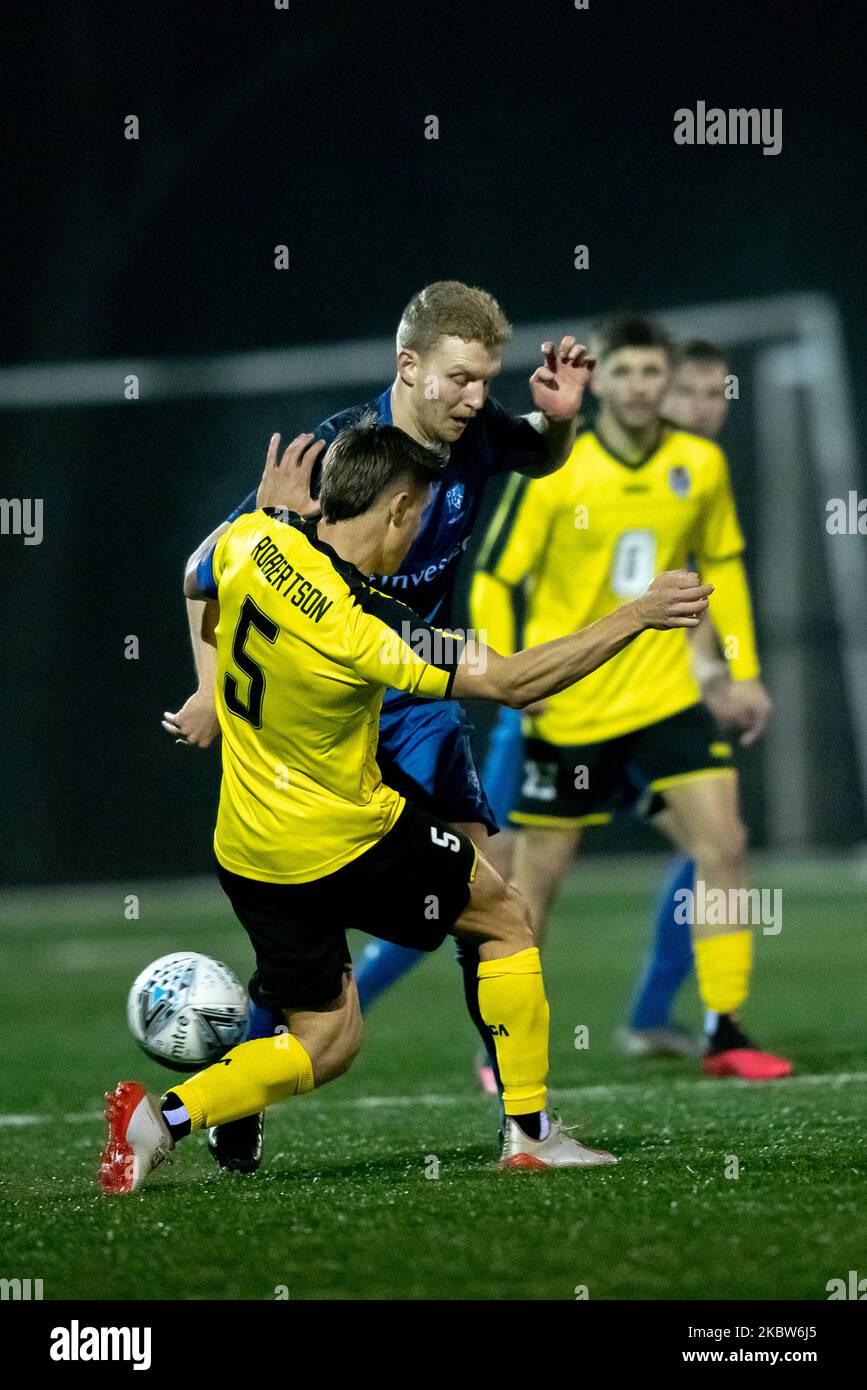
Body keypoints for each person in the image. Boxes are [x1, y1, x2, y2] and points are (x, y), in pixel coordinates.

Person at [101, 418, 712, 1193]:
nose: (419, 532)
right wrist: (639, 614)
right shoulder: (365, 628)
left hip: (249, 849)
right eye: (418, 514)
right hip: (344, 839)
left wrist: (212, 675)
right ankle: (529, 1134)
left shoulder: (254, 537)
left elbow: (200, 572)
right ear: (394, 510)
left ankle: (159, 1122)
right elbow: (516, 680)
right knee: (503, 917)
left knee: (327, 1042)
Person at [167, 280, 595, 1170]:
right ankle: (246, 1086)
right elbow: (206, 569)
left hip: (420, 694)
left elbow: (541, 458)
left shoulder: (473, 436)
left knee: (488, 885)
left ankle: (520, 1113)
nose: (478, 398)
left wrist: (555, 423)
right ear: (408, 367)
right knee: (312, 919)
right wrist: (209, 687)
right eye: (460, 379)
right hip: (330, 712)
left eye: (487, 379)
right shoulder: (340, 457)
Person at [470, 315, 791, 1081]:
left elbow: (725, 569)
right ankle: (506, 1049)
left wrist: (739, 670)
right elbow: (492, 577)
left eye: (653, 374)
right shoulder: (557, 470)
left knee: (725, 847)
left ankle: (724, 1030)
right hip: (571, 703)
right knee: (535, 882)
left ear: (663, 381)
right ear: (602, 381)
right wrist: (507, 674)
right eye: (625, 373)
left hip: (665, 697)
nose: (640, 388)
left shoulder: (698, 463)